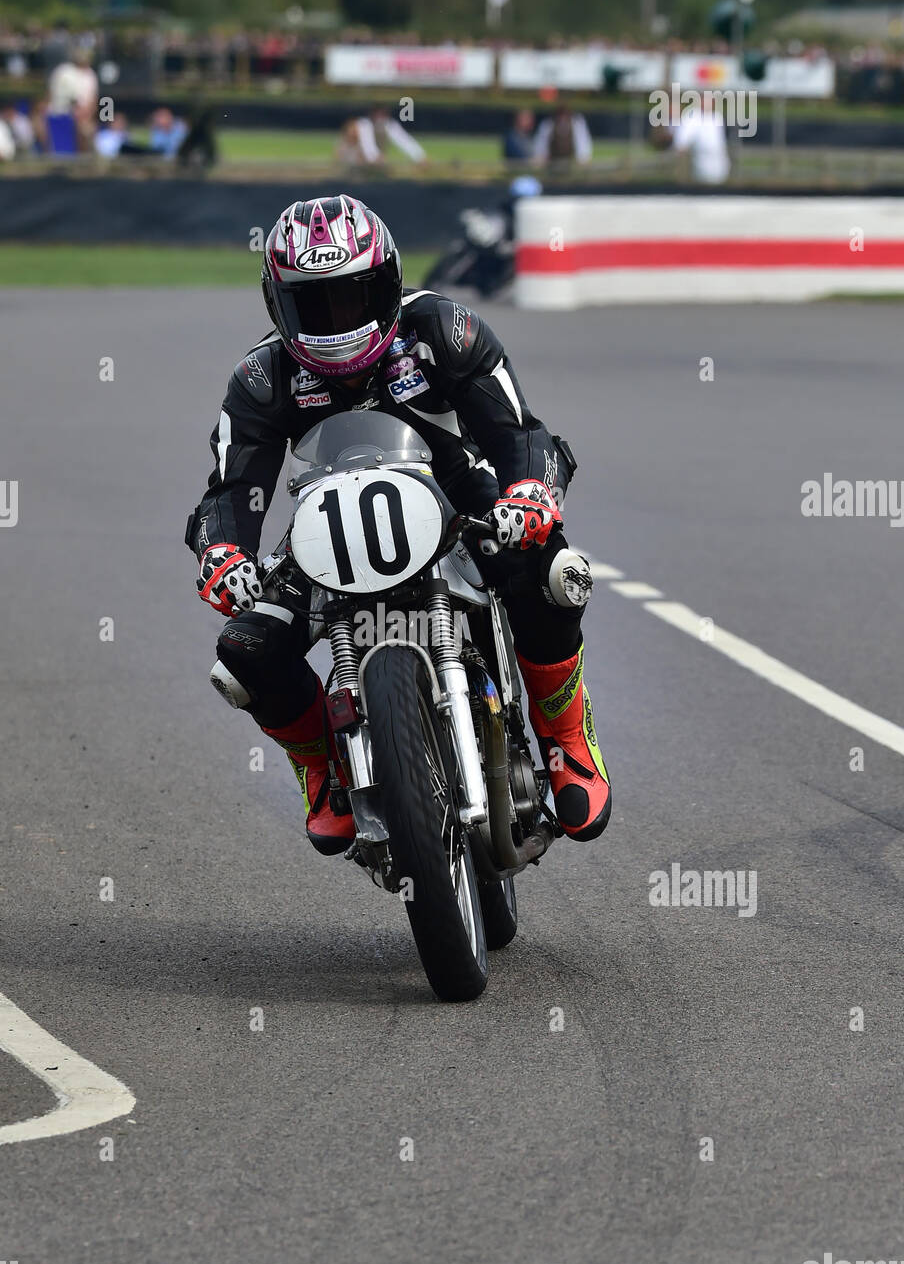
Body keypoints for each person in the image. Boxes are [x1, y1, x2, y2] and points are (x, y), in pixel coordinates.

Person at [185, 194, 611, 855]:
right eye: (313, 304)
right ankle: (323, 768)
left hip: (466, 512)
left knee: (552, 574)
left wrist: (528, 494)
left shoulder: (446, 328)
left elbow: (519, 432)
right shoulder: (261, 378)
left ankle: (564, 737)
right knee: (245, 652)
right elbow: (233, 491)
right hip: (328, 538)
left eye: (352, 298)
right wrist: (223, 555)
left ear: (387, 281)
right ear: (278, 303)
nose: (335, 320)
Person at [335, 105, 426, 168]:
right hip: (354, 162)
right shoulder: (364, 125)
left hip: (371, 164)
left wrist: (419, 156)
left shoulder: (389, 125)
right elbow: (367, 144)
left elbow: (403, 140)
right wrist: (375, 158)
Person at [533, 104, 593, 172]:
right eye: (560, 114)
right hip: (551, 165)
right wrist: (541, 159)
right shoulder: (547, 125)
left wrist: (582, 160)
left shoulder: (577, 124)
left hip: (571, 165)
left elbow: (583, 151)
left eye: (565, 114)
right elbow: (540, 150)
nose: (562, 118)